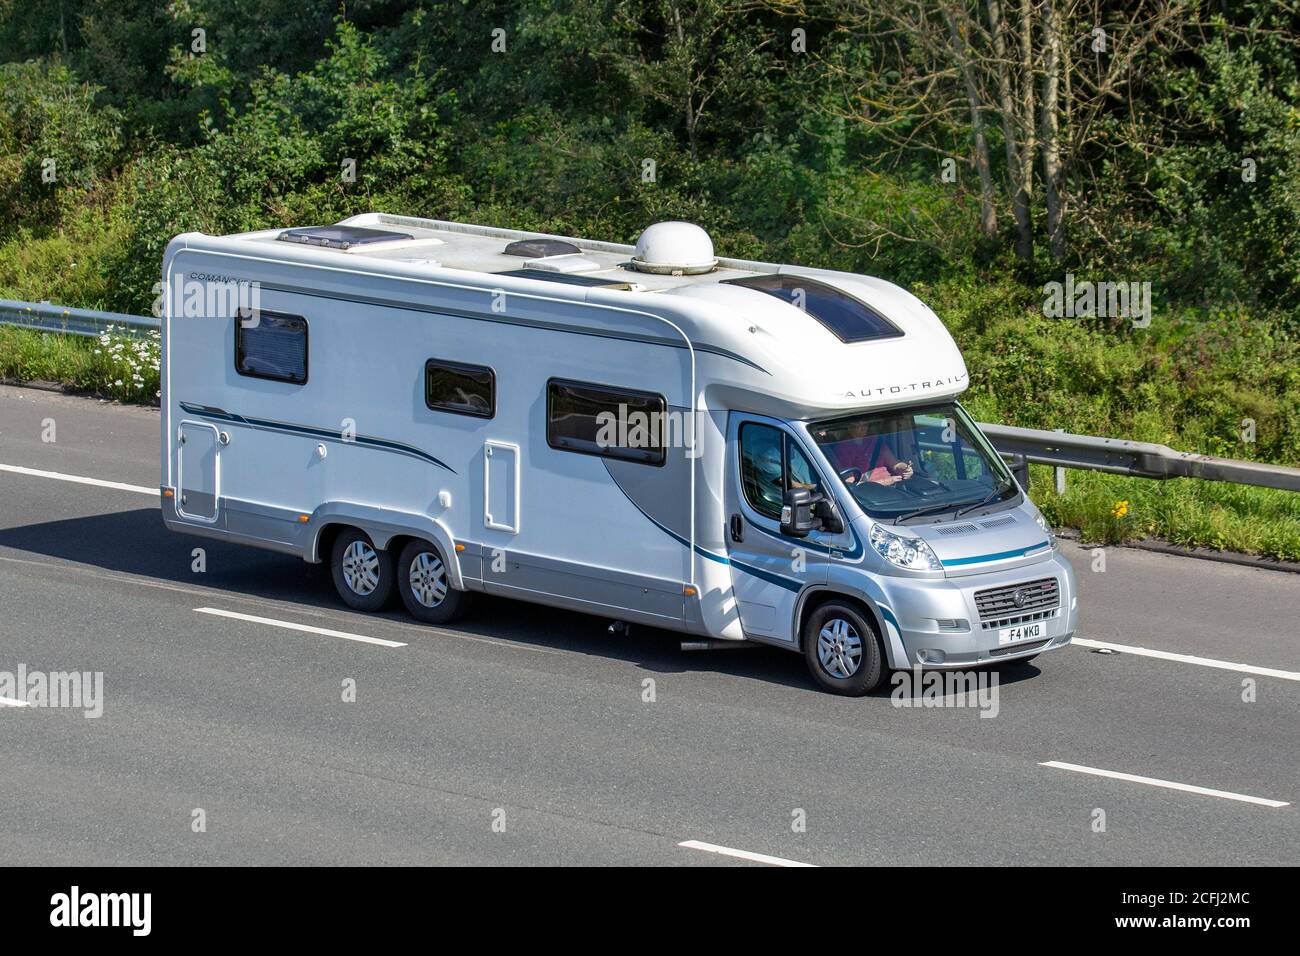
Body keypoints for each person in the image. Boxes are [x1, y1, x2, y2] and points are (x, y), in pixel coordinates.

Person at [823, 420, 913, 486]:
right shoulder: (843, 448)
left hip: (891, 484)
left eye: (865, 425)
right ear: (849, 428)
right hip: (868, 491)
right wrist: (884, 482)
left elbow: (894, 463)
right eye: (857, 426)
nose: (862, 429)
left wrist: (904, 468)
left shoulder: (876, 441)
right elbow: (850, 482)